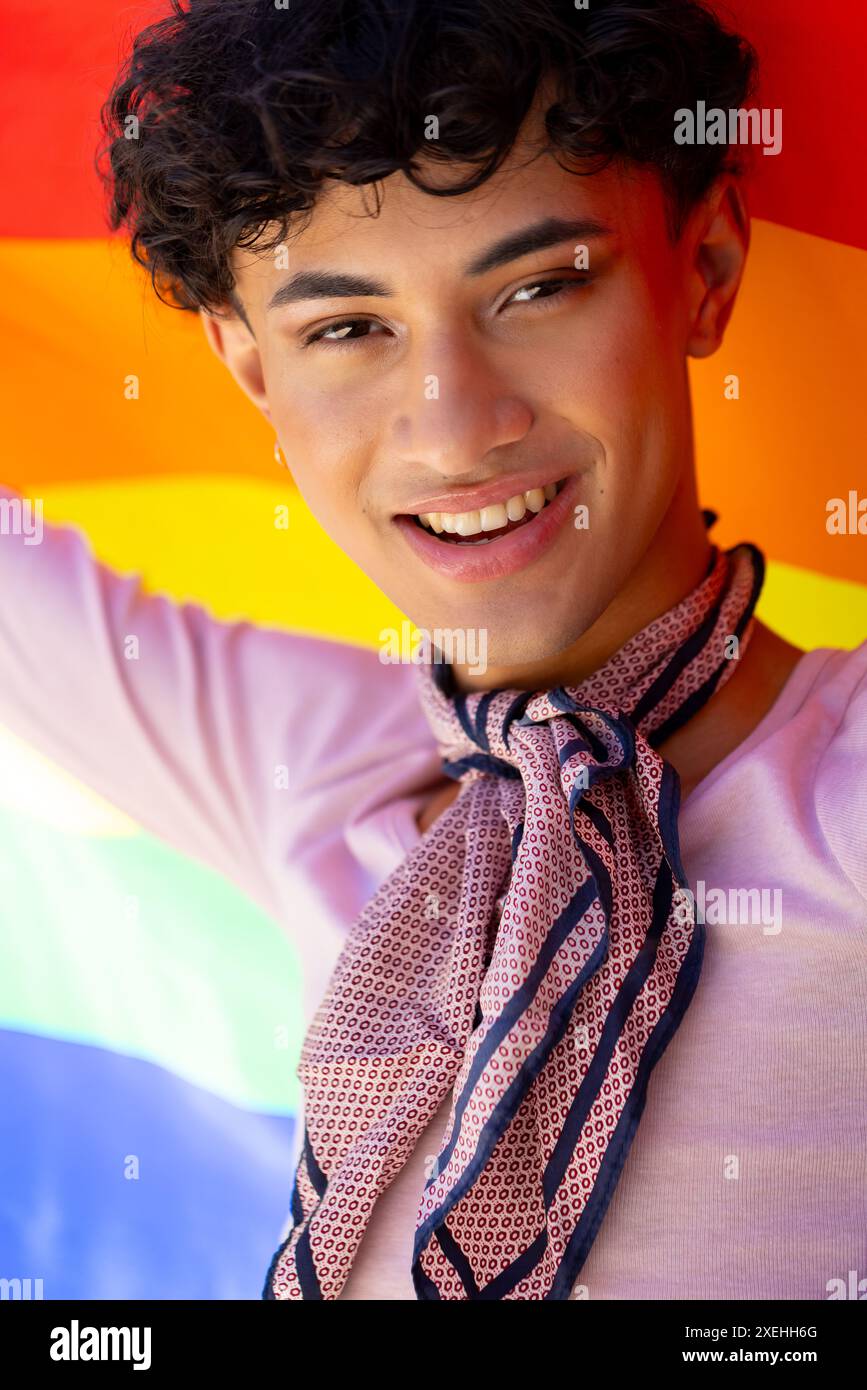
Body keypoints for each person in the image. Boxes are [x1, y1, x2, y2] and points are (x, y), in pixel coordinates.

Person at [2, 0, 864, 1300]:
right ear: (250, 372)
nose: (457, 428)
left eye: (539, 287)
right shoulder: (313, 760)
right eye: (347, 330)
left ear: (707, 268)